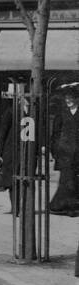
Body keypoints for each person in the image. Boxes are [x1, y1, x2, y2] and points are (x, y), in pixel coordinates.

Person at [0, 90, 34, 217]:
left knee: (26, 180)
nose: (26, 100)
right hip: (11, 152)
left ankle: (23, 207)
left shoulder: (33, 112)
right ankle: (15, 208)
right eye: (24, 98)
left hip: (27, 152)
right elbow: (3, 132)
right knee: (13, 181)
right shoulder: (11, 111)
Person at [49, 85, 79, 216]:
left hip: (78, 153)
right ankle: (64, 207)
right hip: (64, 153)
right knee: (67, 180)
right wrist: (55, 151)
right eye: (67, 97)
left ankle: (68, 207)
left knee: (75, 180)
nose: (69, 99)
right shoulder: (61, 113)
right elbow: (55, 134)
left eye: (71, 97)